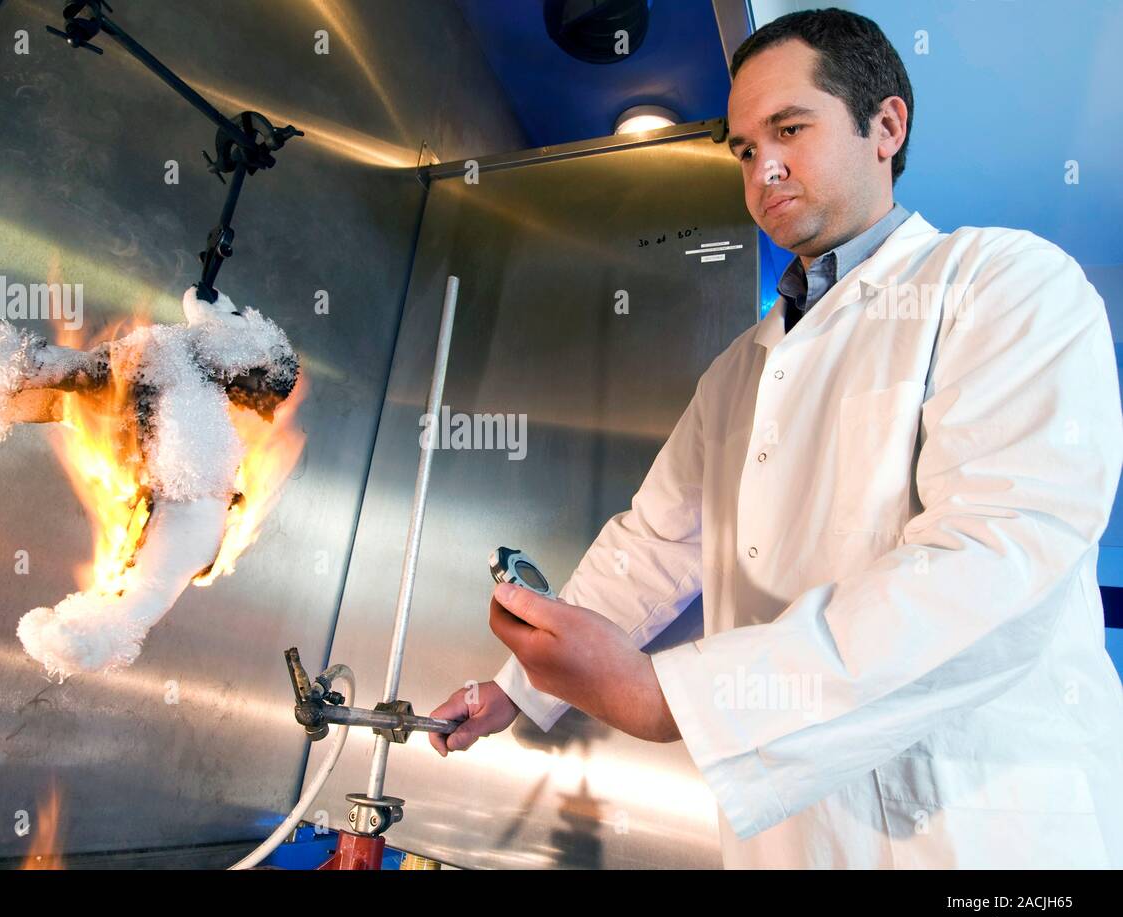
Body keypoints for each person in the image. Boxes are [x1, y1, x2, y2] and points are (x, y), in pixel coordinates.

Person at [427, 7, 1123, 869]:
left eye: (789, 128)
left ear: (886, 126)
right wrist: (512, 692)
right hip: (794, 843)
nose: (764, 171)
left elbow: (998, 558)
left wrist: (666, 698)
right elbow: (653, 547)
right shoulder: (737, 373)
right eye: (746, 149)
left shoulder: (1005, 285)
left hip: (986, 841)